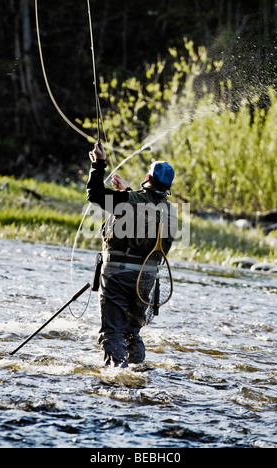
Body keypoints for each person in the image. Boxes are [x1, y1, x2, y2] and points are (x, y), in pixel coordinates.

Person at [87, 140, 176, 368]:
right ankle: (137, 373)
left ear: (147, 177)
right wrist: (125, 192)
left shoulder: (128, 200)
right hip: (146, 282)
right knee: (131, 333)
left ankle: (118, 377)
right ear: (167, 186)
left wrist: (99, 163)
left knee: (113, 332)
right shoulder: (171, 212)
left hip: (117, 277)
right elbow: (144, 214)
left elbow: (95, 194)